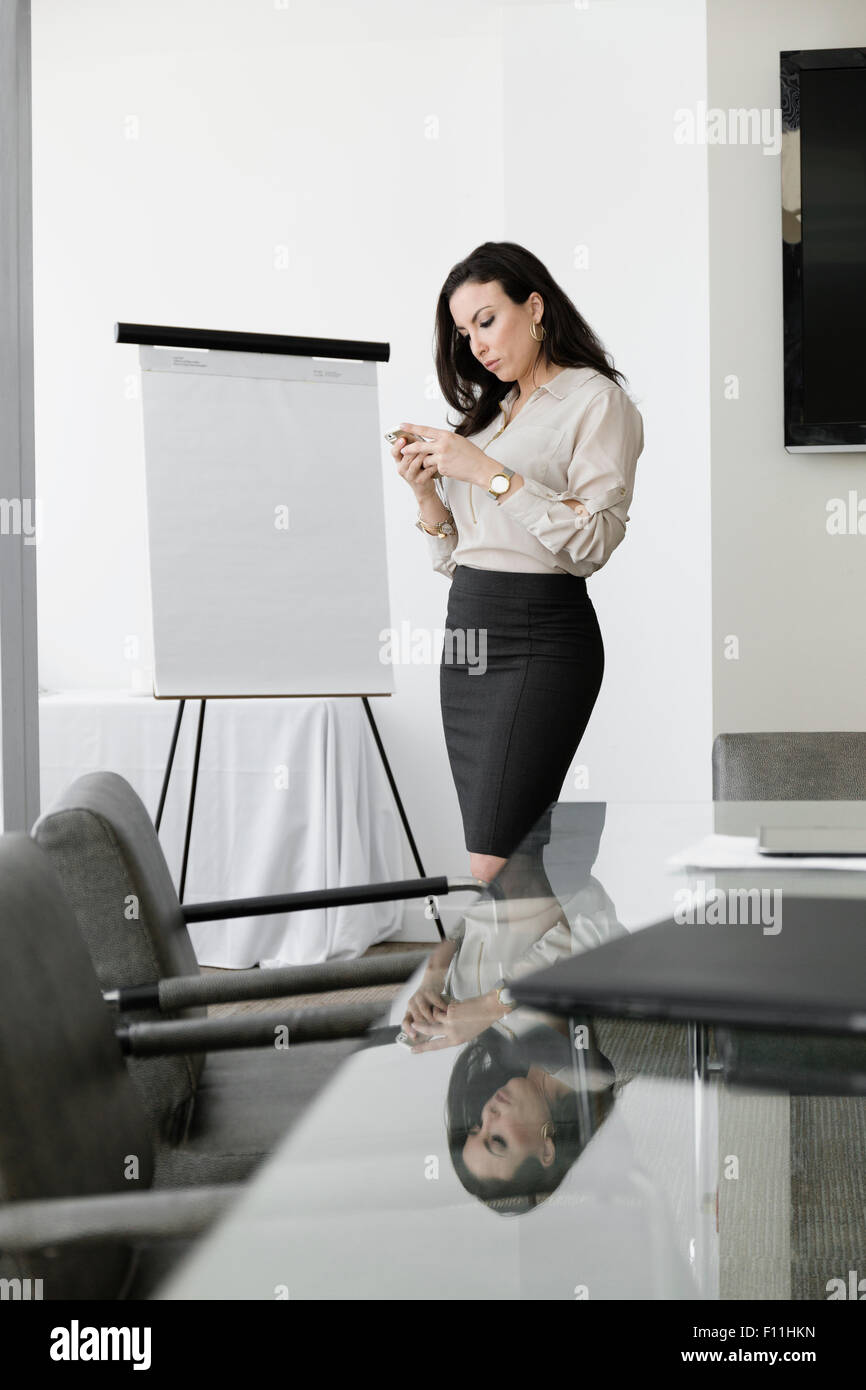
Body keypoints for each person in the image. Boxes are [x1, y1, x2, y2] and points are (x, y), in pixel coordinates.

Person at [391, 240, 644, 886]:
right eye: (462, 330)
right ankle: (541, 979)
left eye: (485, 319)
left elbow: (593, 543)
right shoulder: (492, 413)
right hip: (468, 632)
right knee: (506, 850)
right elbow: (454, 559)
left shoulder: (596, 401)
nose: (475, 343)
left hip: (541, 634)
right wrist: (427, 491)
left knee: (494, 859)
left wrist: (488, 473)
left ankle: (526, 980)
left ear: (534, 307)